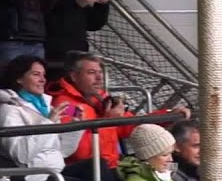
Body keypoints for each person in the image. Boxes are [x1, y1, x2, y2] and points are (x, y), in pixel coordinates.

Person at [49, 51, 190, 169]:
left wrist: (167, 115)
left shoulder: (100, 99)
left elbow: (132, 125)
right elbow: (81, 152)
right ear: (74, 76)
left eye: (100, 72)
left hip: (114, 164)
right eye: (91, 73)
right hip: (91, 170)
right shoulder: (66, 105)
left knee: (174, 165)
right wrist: (108, 121)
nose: (99, 78)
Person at [43, 0, 111, 83]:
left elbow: (93, 24)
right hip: (55, 57)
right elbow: (51, 22)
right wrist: (78, 5)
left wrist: (102, 5)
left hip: (77, 55)